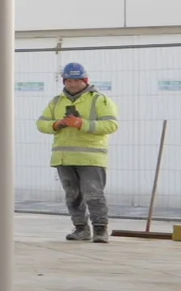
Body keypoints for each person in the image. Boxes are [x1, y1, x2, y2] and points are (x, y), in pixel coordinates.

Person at [38, 61, 121, 241]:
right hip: (64, 158)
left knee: (93, 195)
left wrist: (82, 124)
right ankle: (81, 228)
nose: (73, 84)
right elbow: (41, 123)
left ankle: (100, 230)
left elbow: (111, 124)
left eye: (76, 80)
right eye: (68, 81)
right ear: (64, 82)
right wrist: (56, 124)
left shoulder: (99, 100)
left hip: (91, 158)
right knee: (73, 195)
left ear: (85, 80)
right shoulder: (57, 101)